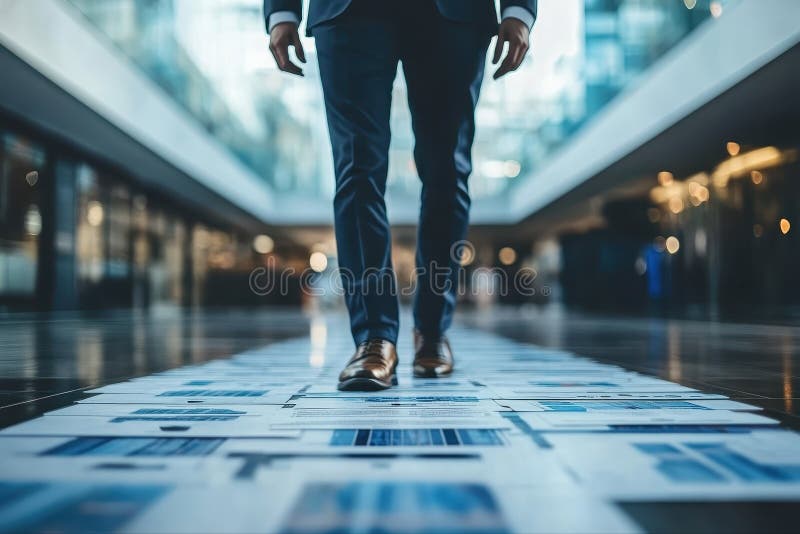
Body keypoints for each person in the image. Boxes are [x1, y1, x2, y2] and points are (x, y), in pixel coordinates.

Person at [264, 0, 536, 390]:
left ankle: (431, 331)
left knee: (448, 169)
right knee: (356, 169)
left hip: (453, 14)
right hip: (348, 11)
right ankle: (375, 338)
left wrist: (519, 9)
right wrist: (281, 11)